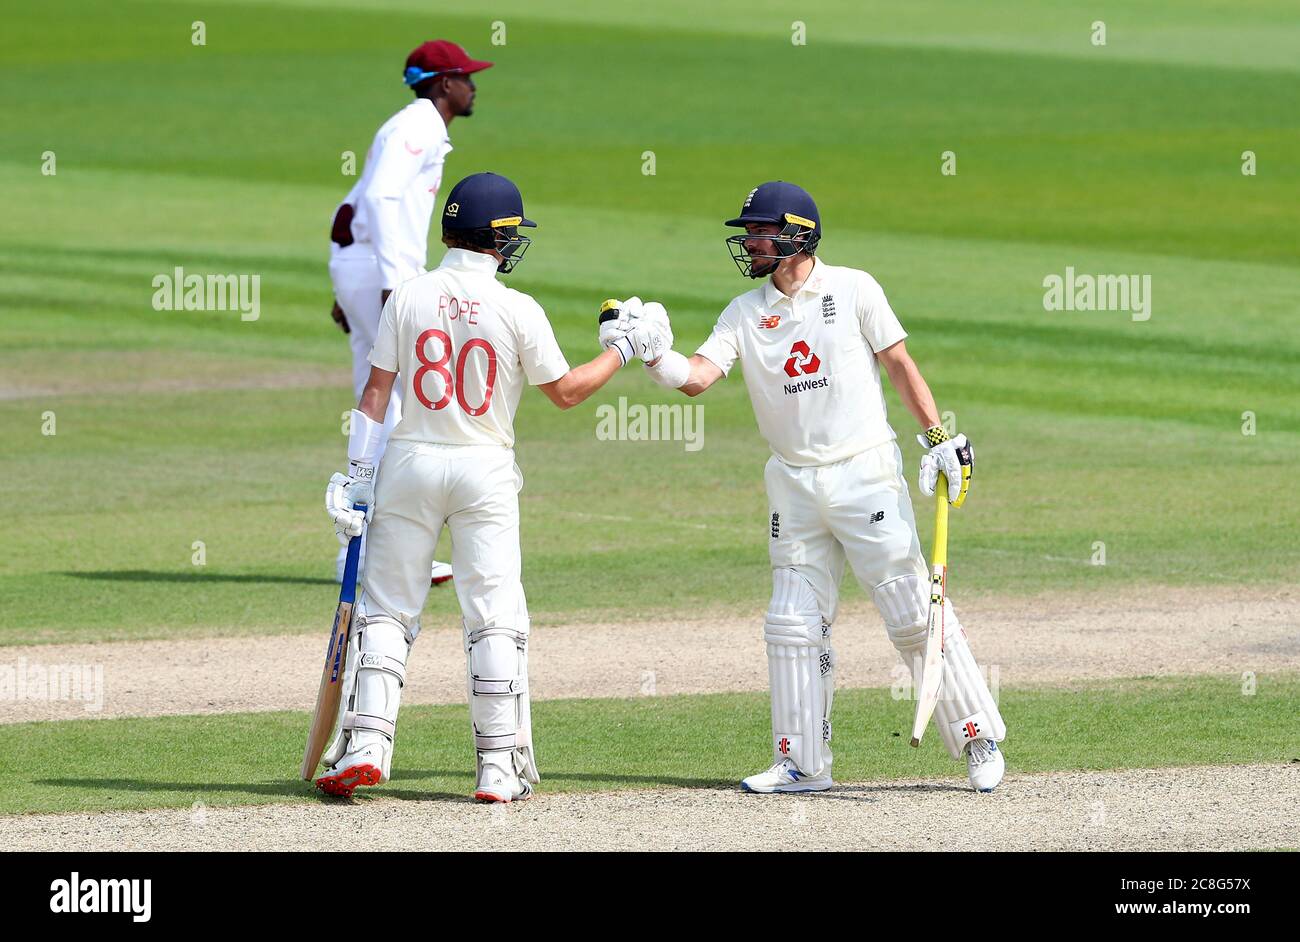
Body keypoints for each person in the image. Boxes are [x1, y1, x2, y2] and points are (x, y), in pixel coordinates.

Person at [630, 181, 1007, 793]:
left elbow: (900, 364)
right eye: (747, 232)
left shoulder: (855, 287)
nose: (749, 242)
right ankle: (801, 762)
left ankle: (978, 737)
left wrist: (938, 438)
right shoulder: (744, 312)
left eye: (759, 231)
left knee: (912, 610)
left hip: (864, 472)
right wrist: (654, 357)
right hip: (792, 484)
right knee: (792, 622)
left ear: (797, 235)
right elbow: (698, 377)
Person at [319, 172, 665, 801]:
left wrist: (359, 477)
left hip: (411, 462)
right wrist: (625, 349)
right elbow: (565, 393)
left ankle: (369, 743)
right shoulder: (517, 307)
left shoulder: (409, 295)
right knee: (494, 617)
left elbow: (375, 394)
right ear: (500, 238)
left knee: (388, 609)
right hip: (484, 470)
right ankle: (498, 768)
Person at [326, 39, 492, 585]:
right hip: (379, 273)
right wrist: (394, 285)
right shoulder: (414, 127)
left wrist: (354, 279)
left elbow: (360, 203)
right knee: (396, 401)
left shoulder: (418, 127)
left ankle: (364, 544)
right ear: (444, 84)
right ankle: (382, 549)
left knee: (378, 397)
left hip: (365, 267)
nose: (474, 86)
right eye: (466, 77)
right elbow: (377, 198)